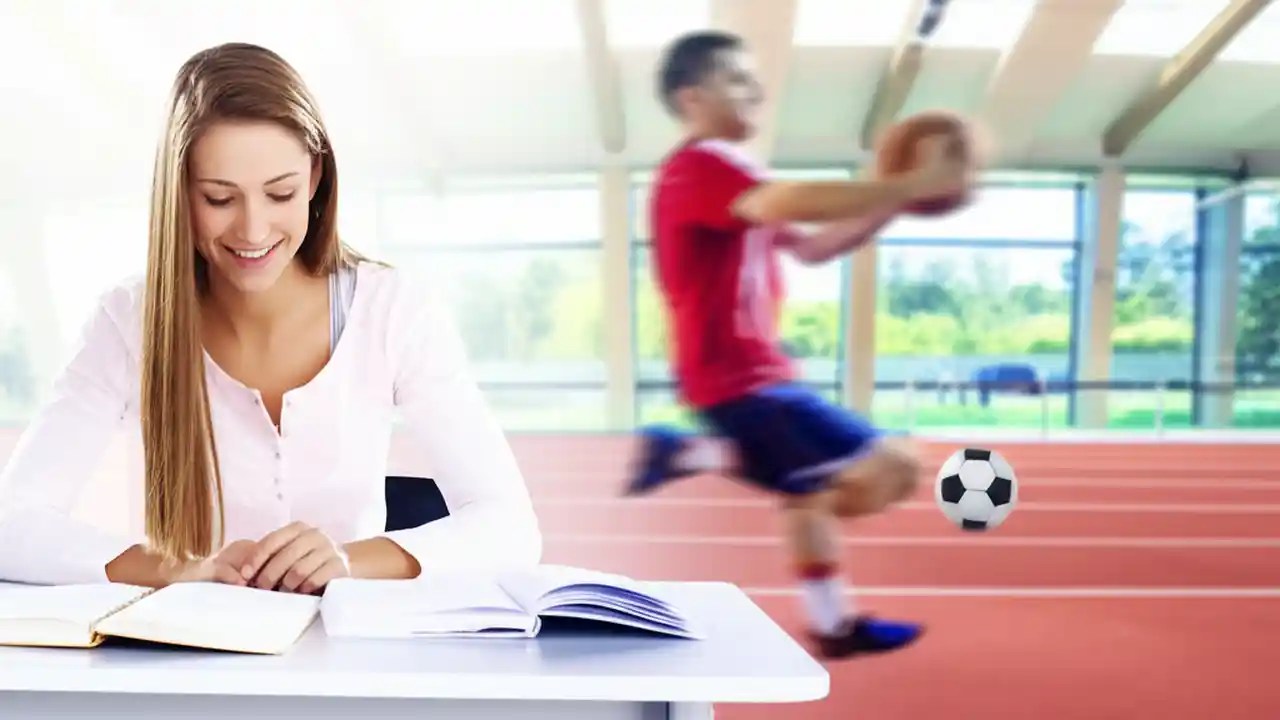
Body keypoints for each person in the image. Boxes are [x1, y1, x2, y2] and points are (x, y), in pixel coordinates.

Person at [0, 43, 540, 593]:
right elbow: (11, 525)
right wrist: (180, 569)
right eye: (219, 199)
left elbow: (510, 528)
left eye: (279, 193)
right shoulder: (127, 320)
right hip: (189, 653)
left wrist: (349, 561)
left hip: (349, 652)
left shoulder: (394, 310)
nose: (253, 230)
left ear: (314, 180)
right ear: (179, 193)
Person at [625, 31, 973, 659]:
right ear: (693, 97)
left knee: (807, 496)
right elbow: (789, 199)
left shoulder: (729, 176)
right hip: (742, 381)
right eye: (737, 79)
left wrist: (899, 197)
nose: (756, 89)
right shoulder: (700, 167)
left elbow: (815, 244)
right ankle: (700, 453)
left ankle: (833, 625)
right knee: (894, 467)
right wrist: (908, 182)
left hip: (745, 377)